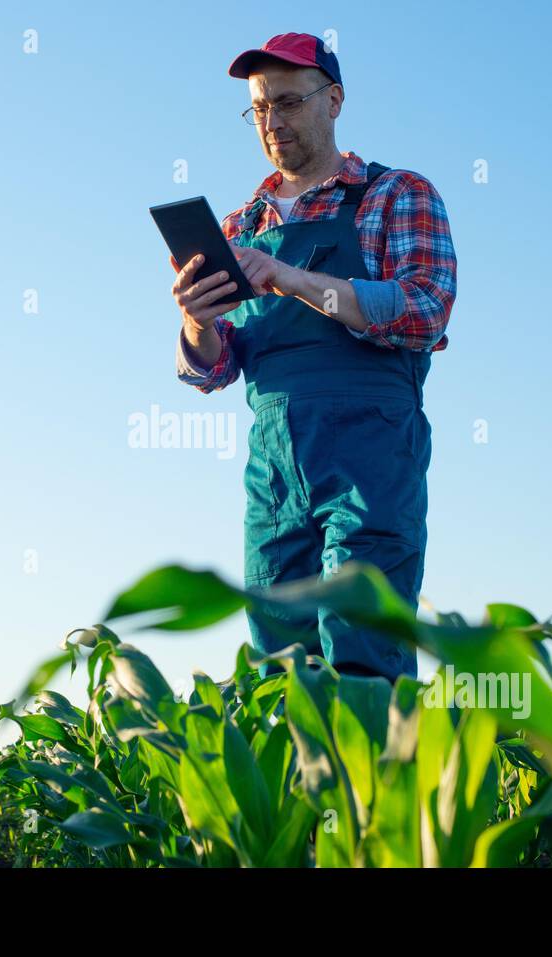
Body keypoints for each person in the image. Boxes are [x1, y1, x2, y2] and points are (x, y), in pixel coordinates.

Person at [171, 32, 457, 682]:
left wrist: (290, 278)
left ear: (333, 100)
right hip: (274, 471)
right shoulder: (240, 226)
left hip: (370, 456)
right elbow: (212, 368)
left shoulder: (394, 195)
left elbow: (423, 308)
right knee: (280, 670)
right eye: (260, 108)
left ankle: (377, 781)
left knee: (363, 655)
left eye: (290, 103)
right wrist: (196, 318)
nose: (273, 123)